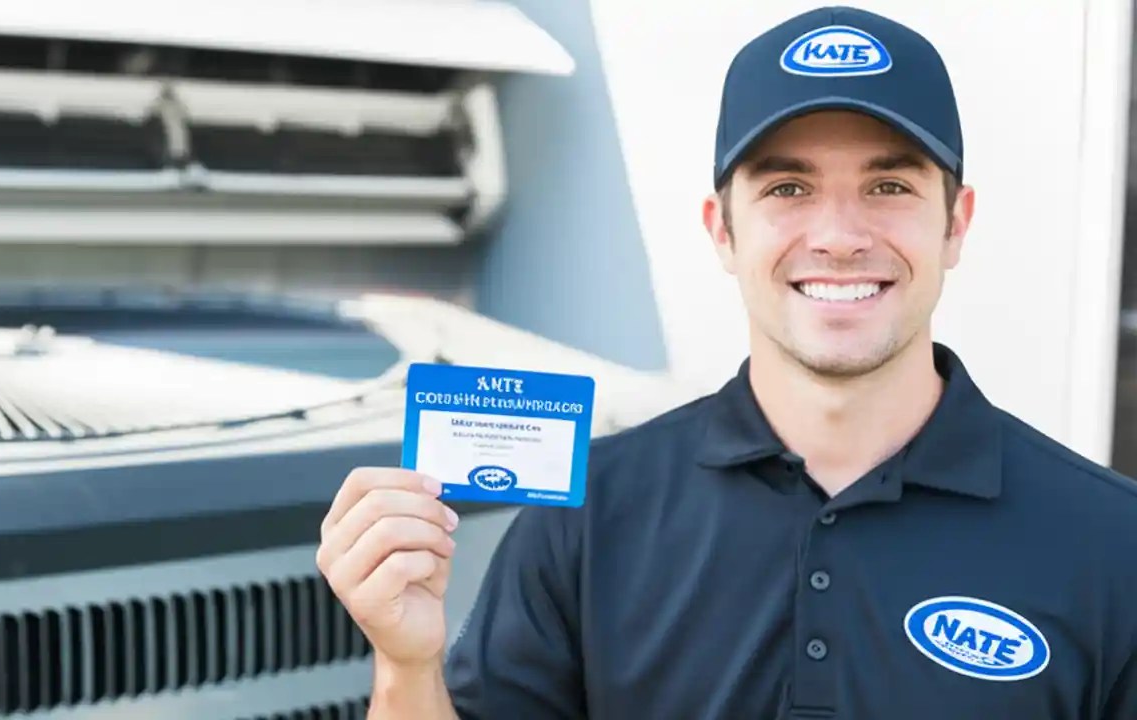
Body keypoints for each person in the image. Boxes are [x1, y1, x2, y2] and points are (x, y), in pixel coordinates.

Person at [315, 6, 1137, 718]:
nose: (840, 235)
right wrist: (406, 668)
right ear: (721, 229)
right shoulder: (587, 519)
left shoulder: (1111, 543)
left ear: (956, 223)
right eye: (788, 189)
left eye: (889, 187)